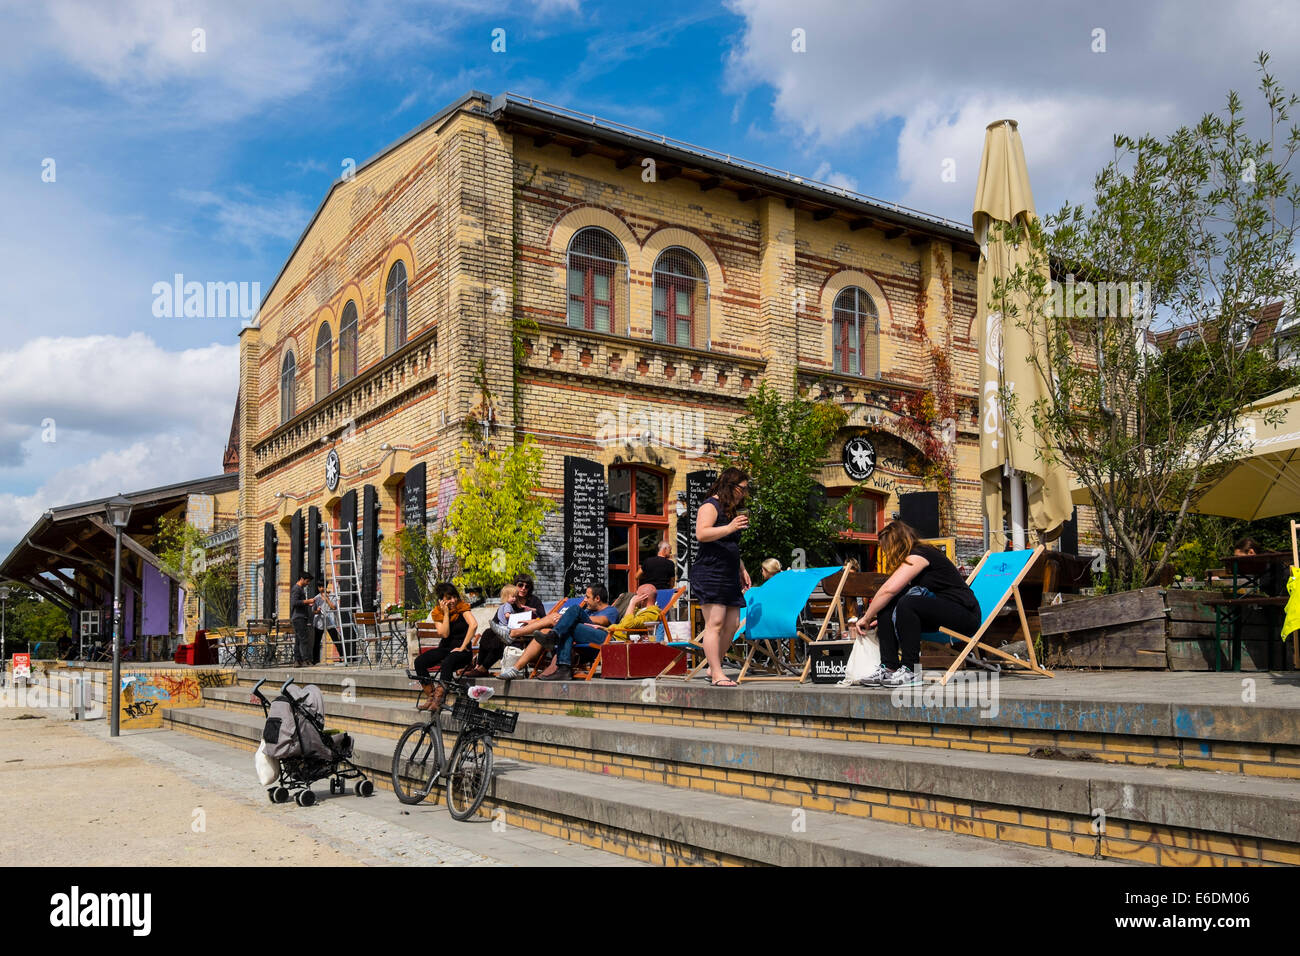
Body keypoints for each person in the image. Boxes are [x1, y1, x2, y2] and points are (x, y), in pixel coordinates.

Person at [848, 520, 981, 689]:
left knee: (907, 602)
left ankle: (911, 670)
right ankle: (889, 667)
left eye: (886, 548)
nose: (887, 553)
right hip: (940, 612)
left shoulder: (921, 554)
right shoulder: (917, 556)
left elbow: (889, 589)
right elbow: (891, 596)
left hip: (964, 615)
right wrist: (884, 620)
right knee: (889, 606)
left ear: (896, 544)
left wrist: (866, 617)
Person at [692, 467, 752, 686]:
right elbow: (702, 533)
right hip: (710, 572)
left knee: (733, 623)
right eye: (742, 489)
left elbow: (731, 544)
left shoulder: (730, 511)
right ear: (731, 485)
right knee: (715, 622)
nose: (744, 494)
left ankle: (713, 664)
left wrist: (741, 568)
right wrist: (729, 527)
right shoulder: (710, 505)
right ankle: (717, 673)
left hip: (728, 572)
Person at [500, 584, 615, 681]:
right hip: (581, 637)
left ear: (597, 598)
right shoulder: (588, 611)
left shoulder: (611, 610)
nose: (585, 600)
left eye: (587, 597)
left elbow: (602, 621)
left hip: (602, 638)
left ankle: (515, 634)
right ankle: (516, 669)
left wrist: (566, 617)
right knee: (550, 630)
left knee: (575, 610)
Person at [412, 583, 479, 711]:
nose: (453, 600)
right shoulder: (437, 613)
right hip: (446, 649)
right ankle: (431, 696)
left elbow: (474, 625)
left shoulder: (462, 608)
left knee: (448, 660)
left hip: (463, 651)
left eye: (454, 597)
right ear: (441, 600)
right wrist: (446, 614)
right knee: (419, 662)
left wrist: (463, 646)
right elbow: (445, 633)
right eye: (449, 598)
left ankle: (439, 700)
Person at [465, 584, 523, 678]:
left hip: (516, 635)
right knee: (487, 633)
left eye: (526, 586)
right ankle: (479, 665)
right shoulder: (508, 606)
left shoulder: (527, 603)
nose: (523, 588)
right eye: (521, 585)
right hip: (505, 631)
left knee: (498, 641)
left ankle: (483, 668)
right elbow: (497, 621)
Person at [311, 576, 344, 664]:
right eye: (320, 587)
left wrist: (327, 599)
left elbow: (333, 607)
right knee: (317, 641)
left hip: (330, 621)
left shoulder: (332, 595)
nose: (322, 589)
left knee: (336, 639)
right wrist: (317, 611)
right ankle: (315, 660)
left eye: (323, 587)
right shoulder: (316, 598)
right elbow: (313, 611)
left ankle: (342, 656)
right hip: (319, 622)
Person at [289, 574, 313, 667]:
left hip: (299, 617)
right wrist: (307, 601)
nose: (308, 583)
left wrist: (306, 604)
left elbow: (299, 603)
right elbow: (294, 602)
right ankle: (305, 660)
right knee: (303, 639)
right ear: (302, 579)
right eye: (307, 581)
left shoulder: (300, 589)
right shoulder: (297, 588)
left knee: (299, 640)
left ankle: (297, 660)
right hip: (299, 618)